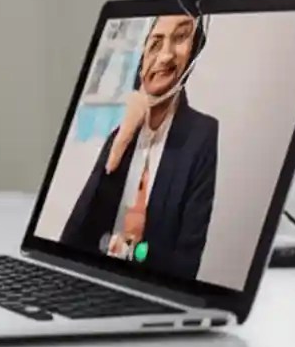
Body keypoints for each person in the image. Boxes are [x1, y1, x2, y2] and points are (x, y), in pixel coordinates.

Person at [61, 14, 219, 279]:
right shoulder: (120, 135)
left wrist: (133, 255)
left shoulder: (200, 134)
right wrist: (123, 138)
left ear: (194, 55)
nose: (165, 56)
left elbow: (186, 263)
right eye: (155, 43)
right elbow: (75, 236)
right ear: (142, 59)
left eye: (180, 38)